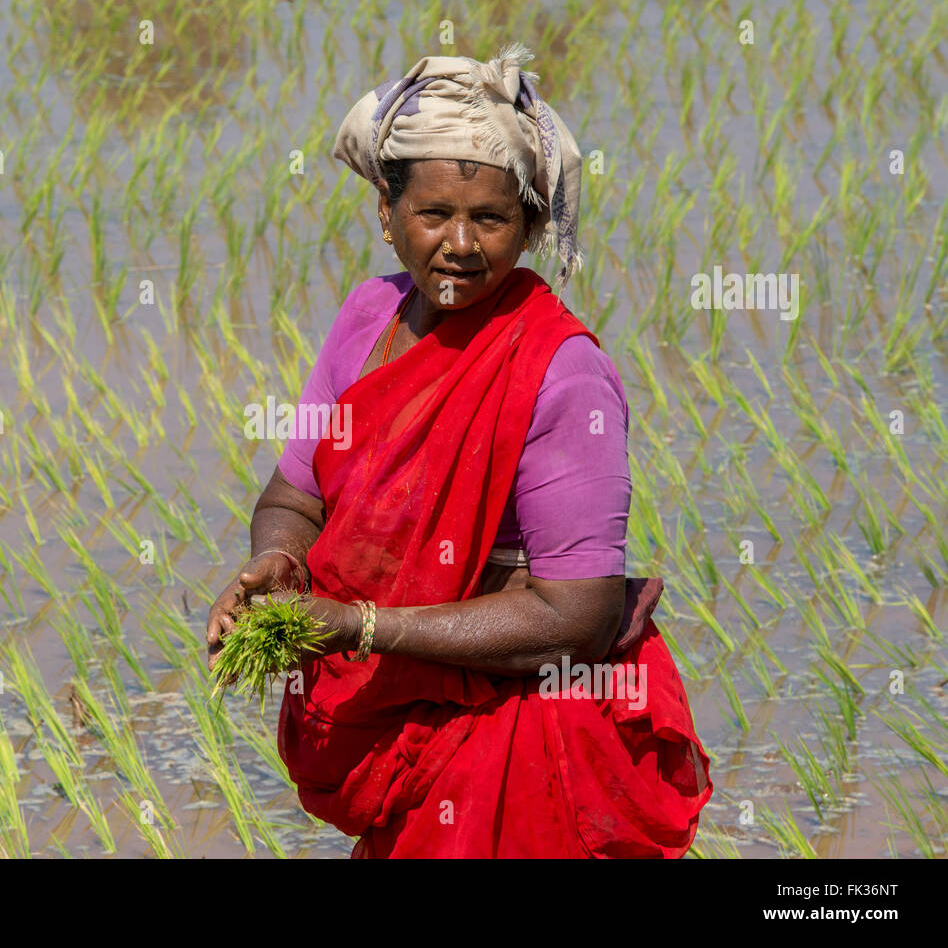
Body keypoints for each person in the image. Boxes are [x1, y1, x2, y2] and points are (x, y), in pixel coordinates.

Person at [206, 43, 711, 857]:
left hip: (515, 735)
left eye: (492, 218)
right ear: (384, 210)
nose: (461, 243)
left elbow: (575, 617)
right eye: (434, 213)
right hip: (398, 714)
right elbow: (295, 496)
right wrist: (280, 563)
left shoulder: (561, 369)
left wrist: (361, 624)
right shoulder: (366, 318)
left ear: (533, 225)